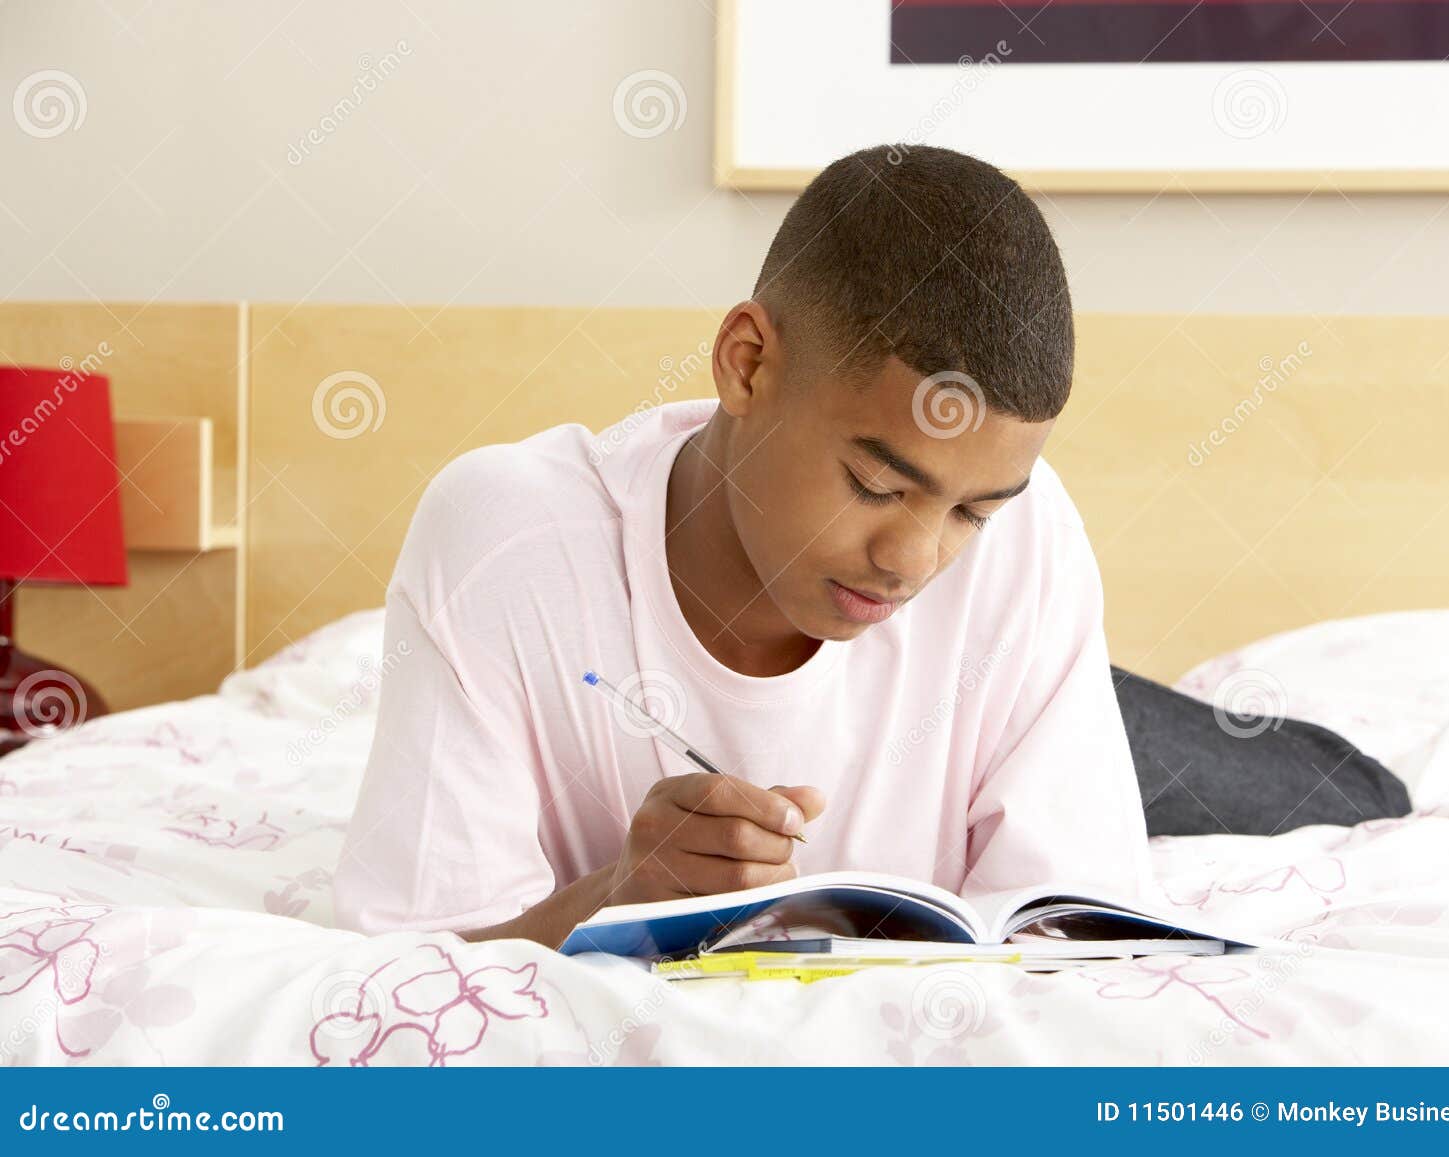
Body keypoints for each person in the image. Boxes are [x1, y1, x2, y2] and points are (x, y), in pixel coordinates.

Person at [334, 144, 1286, 948]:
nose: (912, 560)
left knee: (1305, 785)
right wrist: (613, 893)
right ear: (748, 363)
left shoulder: (1030, 541)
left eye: (972, 513)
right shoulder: (507, 538)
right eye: (877, 485)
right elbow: (412, 967)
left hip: (1037, 700)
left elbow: (1073, 931)